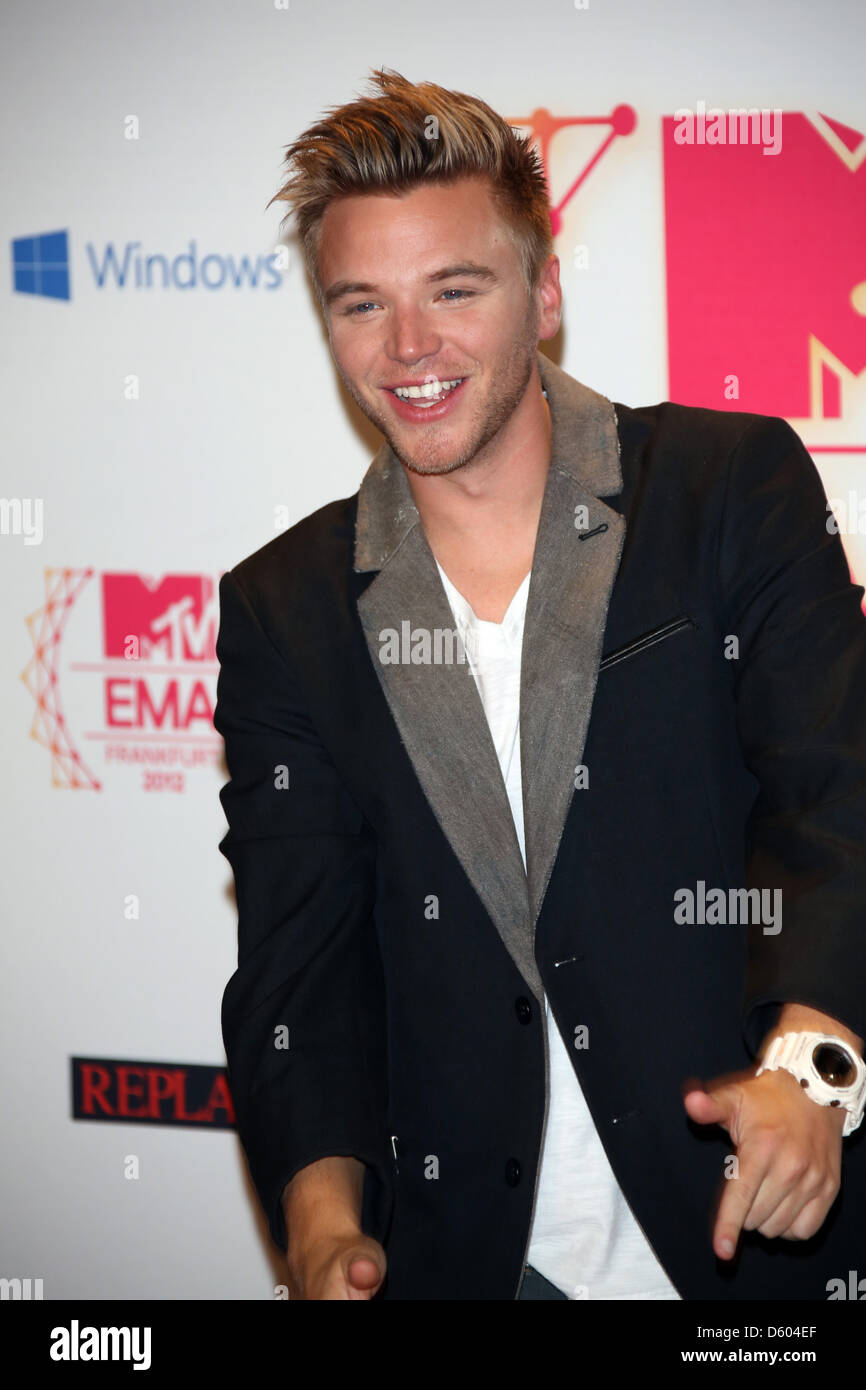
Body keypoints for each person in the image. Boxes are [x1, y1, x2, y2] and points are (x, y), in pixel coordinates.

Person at [214, 68, 866, 1301]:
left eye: (453, 290)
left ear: (544, 292)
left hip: (766, 1243)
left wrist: (809, 1064)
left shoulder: (724, 488)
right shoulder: (283, 607)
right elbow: (302, 961)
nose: (409, 348)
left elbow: (835, 800)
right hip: (480, 1266)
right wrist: (318, 1225)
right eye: (363, 304)